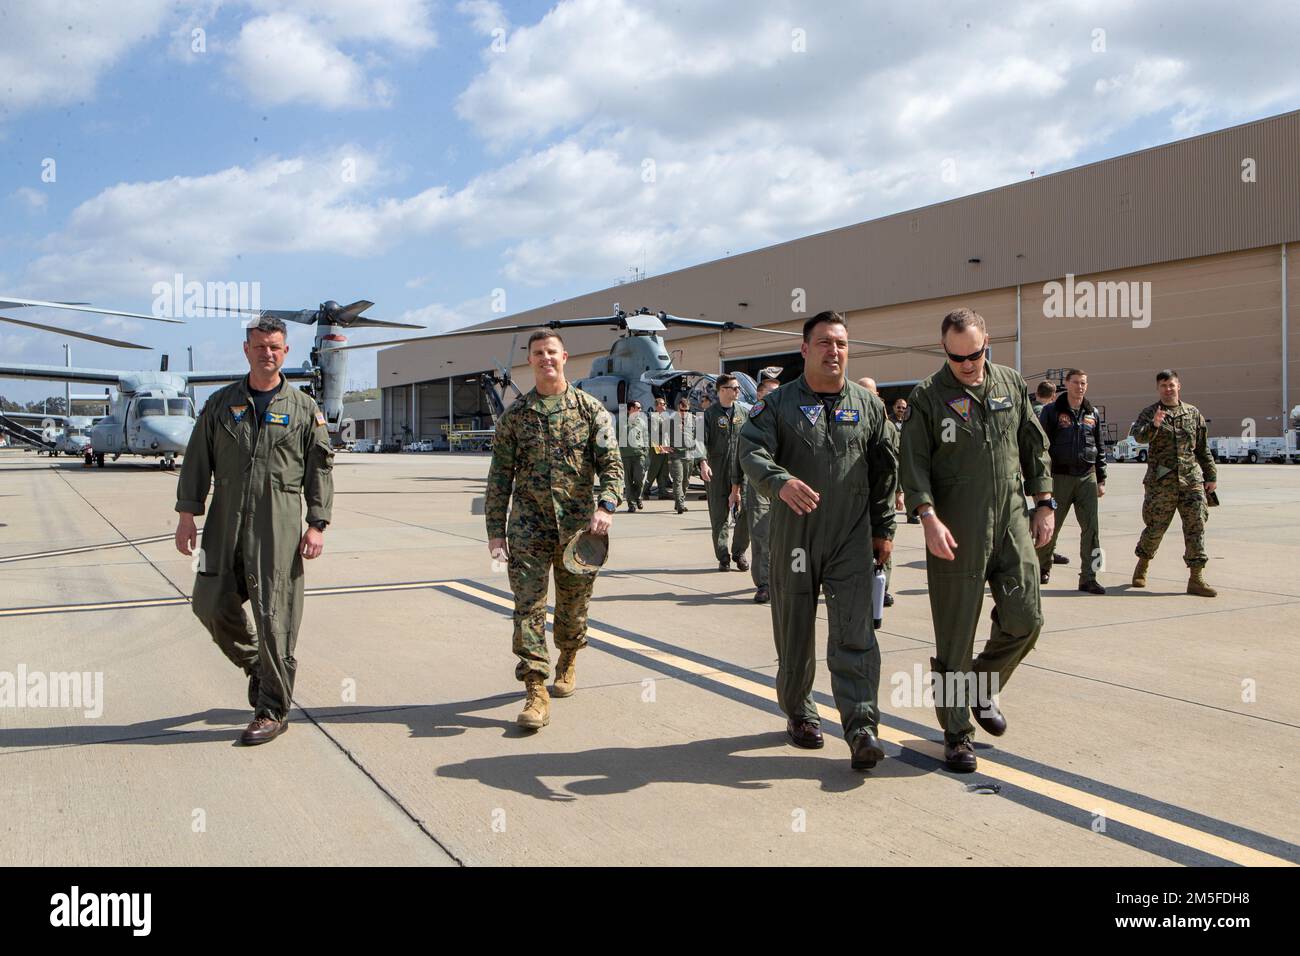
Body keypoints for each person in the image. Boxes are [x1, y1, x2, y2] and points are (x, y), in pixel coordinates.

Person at [740, 311, 897, 771]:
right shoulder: (778, 405)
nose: (834, 351)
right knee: (795, 633)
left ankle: (861, 727)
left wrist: (884, 529)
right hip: (795, 534)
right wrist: (779, 481)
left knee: (856, 633)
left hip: (851, 535)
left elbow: (886, 469)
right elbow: (750, 449)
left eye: (842, 344)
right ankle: (800, 713)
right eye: (825, 343)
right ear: (805, 349)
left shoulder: (868, 407)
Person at [899, 308, 1054, 773]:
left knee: (1027, 618)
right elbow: (914, 462)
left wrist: (1043, 501)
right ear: (944, 350)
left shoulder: (1009, 384)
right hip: (956, 529)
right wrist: (925, 515)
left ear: (988, 341)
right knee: (955, 637)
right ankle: (956, 734)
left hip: (1010, 521)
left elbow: (1034, 443)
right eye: (956, 357)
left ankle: (981, 687)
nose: (967, 365)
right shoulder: (928, 397)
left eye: (975, 354)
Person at [174, 316, 334, 746]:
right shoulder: (220, 404)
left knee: (273, 617)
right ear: (246, 350)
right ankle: (258, 668)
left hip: (277, 524)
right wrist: (188, 514)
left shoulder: (303, 409)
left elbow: (319, 469)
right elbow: (196, 461)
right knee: (208, 602)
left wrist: (317, 522)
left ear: (286, 352)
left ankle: (272, 709)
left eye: (275, 346)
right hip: (224, 523)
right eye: (260, 345)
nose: (267, 352)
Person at [486, 330, 623, 731]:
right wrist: (496, 531)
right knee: (527, 607)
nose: (546, 359)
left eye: (551, 352)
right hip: (527, 528)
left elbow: (612, 465)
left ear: (565, 356)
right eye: (537, 354)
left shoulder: (590, 410)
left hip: (580, 531)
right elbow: (499, 478)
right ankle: (535, 688)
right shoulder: (515, 416)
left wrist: (607, 505)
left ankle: (568, 656)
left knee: (573, 607)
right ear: (529, 361)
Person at [1130, 369, 1218, 597]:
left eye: (1172, 385)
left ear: (1179, 386)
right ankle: (1143, 564)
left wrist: (1211, 476)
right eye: (1163, 386)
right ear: (1158, 389)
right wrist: (1154, 425)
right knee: (1155, 527)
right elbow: (1138, 437)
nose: (1168, 389)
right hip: (1162, 482)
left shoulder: (1192, 413)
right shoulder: (1150, 412)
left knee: (1196, 526)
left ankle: (1196, 577)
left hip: (1191, 481)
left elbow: (1202, 448)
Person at [1036, 369, 1107, 593]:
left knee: (1092, 530)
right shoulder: (1051, 411)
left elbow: (1100, 446)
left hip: (1087, 477)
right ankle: (1041, 567)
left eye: (1083, 383)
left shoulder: (1092, 412)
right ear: (1067, 384)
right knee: (1050, 528)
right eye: (1075, 382)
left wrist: (1101, 478)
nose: (1080, 387)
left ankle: (1090, 576)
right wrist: (1042, 480)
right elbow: (1040, 446)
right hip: (1059, 478)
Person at [699, 373, 750, 571]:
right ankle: (723, 556)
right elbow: (698, 441)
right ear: (722, 390)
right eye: (734, 388)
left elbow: (749, 440)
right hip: (717, 471)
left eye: (738, 388)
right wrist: (703, 462)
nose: (738, 391)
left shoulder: (743, 413)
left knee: (746, 510)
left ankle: (739, 552)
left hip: (741, 469)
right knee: (719, 516)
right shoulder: (709, 415)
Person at [859, 377, 897, 607]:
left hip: (883, 494)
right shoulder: (849, 422)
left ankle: (882, 588)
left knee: (884, 541)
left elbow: (896, 463)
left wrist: (900, 493)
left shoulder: (889, 427)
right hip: (856, 494)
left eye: (869, 394)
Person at [745, 377, 779, 603]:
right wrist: (735, 486)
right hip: (759, 483)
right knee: (761, 536)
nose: (777, 397)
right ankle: (764, 584)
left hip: (785, 482)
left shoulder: (787, 416)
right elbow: (742, 453)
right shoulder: (753, 418)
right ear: (759, 395)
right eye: (771, 393)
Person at [1032, 380, 1070, 569]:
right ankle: (1044, 551)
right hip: (1044, 469)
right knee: (1045, 510)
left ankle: (1045, 550)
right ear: (1053, 396)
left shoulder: (1029, 408)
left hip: (1032, 468)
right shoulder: (1045, 412)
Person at [668, 397, 701, 514]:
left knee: (686, 481)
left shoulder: (694, 420)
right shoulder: (671, 421)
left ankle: (679, 502)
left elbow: (699, 437)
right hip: (676, 455)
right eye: (682, 410)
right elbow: (659, 435)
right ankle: (681, 505)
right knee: (678, 480)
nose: (684, 413)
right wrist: (663, 446)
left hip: (689, 455)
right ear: (678, 408)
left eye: (687, 410)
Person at [891, 397, 918, 524]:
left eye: (903, 407)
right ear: (893, 407)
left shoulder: (910, 421)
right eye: (899, 407)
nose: (901, 409)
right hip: (893, 458)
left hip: (908, 458)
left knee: (910, 486)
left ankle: (911, 514)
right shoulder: (888, 421)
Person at [642, 396, 673, 501]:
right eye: (663, 404)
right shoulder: (654, 417)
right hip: (657, 447)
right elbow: (655, 433)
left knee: (663, 470)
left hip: (664, 446)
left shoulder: (663, 416)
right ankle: (644, 490)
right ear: (658, 405)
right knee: (654, 470)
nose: (665, 406)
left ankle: (662, 491)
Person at [622, 400, 648, 512]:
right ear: (630, 409)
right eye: (638, 408)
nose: (640, 410)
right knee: (628, 481)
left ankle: (638, 498)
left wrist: (645, 452)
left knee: (639, 479)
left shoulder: (642, 422)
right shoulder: (621, 422)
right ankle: (631, 504)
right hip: (626, 455)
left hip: (639, 455)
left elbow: (646, 437)